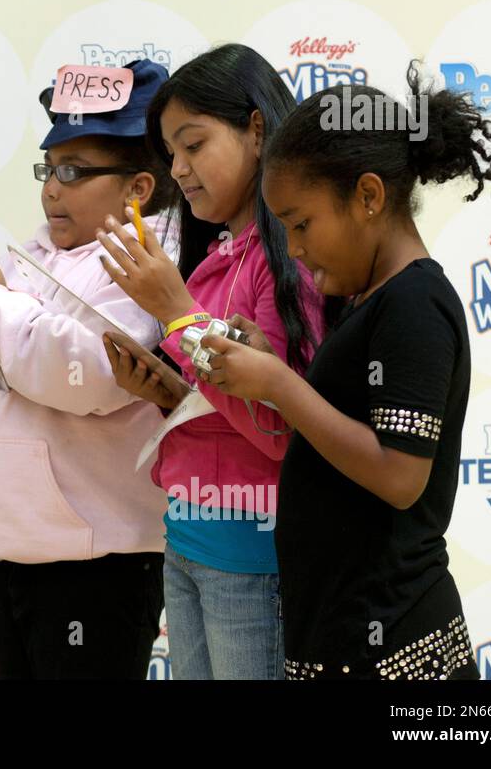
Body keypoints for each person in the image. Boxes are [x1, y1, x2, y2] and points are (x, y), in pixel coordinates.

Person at [196, 64, 491, 679]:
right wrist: (268, 359)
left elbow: (399, 475)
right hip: (344, 640)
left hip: (396, 651)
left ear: (368, 196)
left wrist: (280, 386)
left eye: (301, 223)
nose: (294, 247)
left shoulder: (416, 304)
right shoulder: (365, 300)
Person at [0, 59, 181, 678]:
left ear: (138, 189)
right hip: (0, 548)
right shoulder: (30, 256)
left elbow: (93, 376)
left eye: (73, 172)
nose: (51, 188)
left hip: (94, 561)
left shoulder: (151, 262)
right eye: (48, 170)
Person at [97, 44, 326, 680]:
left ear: (257, 129)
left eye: (193, 145)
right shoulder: (211, 259)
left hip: (252, 553)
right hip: (187, 537)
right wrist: (166, 392)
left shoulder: (285, 266)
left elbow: (281, 431)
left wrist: (177, 314)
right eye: (171, 153)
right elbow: (227, 409)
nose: (179, 169)